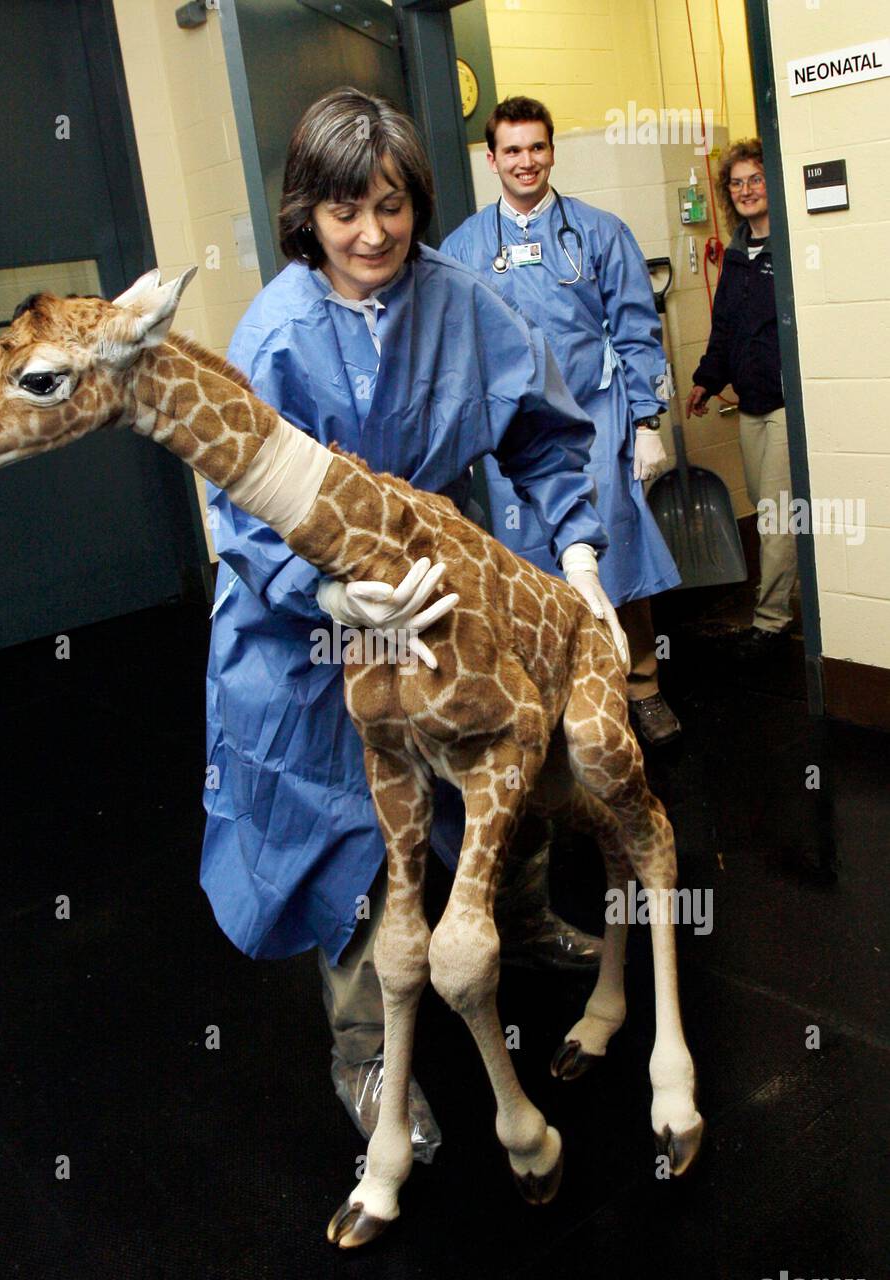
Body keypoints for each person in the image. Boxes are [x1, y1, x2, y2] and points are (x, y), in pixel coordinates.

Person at [201, 88, 626, 1159]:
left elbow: (540, 429)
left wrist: (576, 555)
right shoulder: (278, 329)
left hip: (442, 604)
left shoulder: (462, 300)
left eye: (390, 205)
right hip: (309, 633)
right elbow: (237, 498)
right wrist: (325, 596)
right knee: (347, 837)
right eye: (346, 212)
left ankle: (518, 925)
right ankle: (367, 1055)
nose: (373, 233)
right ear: (310, 214)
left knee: (503, 764)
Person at [440, 96, 682, 747]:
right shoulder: (463, 248)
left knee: (619, 554)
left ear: (552, 152)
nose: (526, 161)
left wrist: (646, 420)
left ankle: (643, 686)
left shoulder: (601, 233)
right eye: (512, 150)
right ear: (491, 159)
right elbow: (452, 350)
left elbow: (635, 329)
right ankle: (557, 695)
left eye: (537, 147)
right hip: (511, 435)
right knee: (529, 567)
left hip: (596, 420)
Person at [687, 138, 796, 657]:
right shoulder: (736, 250)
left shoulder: (790, 246)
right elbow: (725, 326)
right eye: (737, 182)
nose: (747, 190)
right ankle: (790, 591)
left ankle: (771, 621)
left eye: (755, 179)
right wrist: (707, 379)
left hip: (785, 405)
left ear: (770, 184)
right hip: (749, 403)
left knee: (775, 513)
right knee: (763, 501)